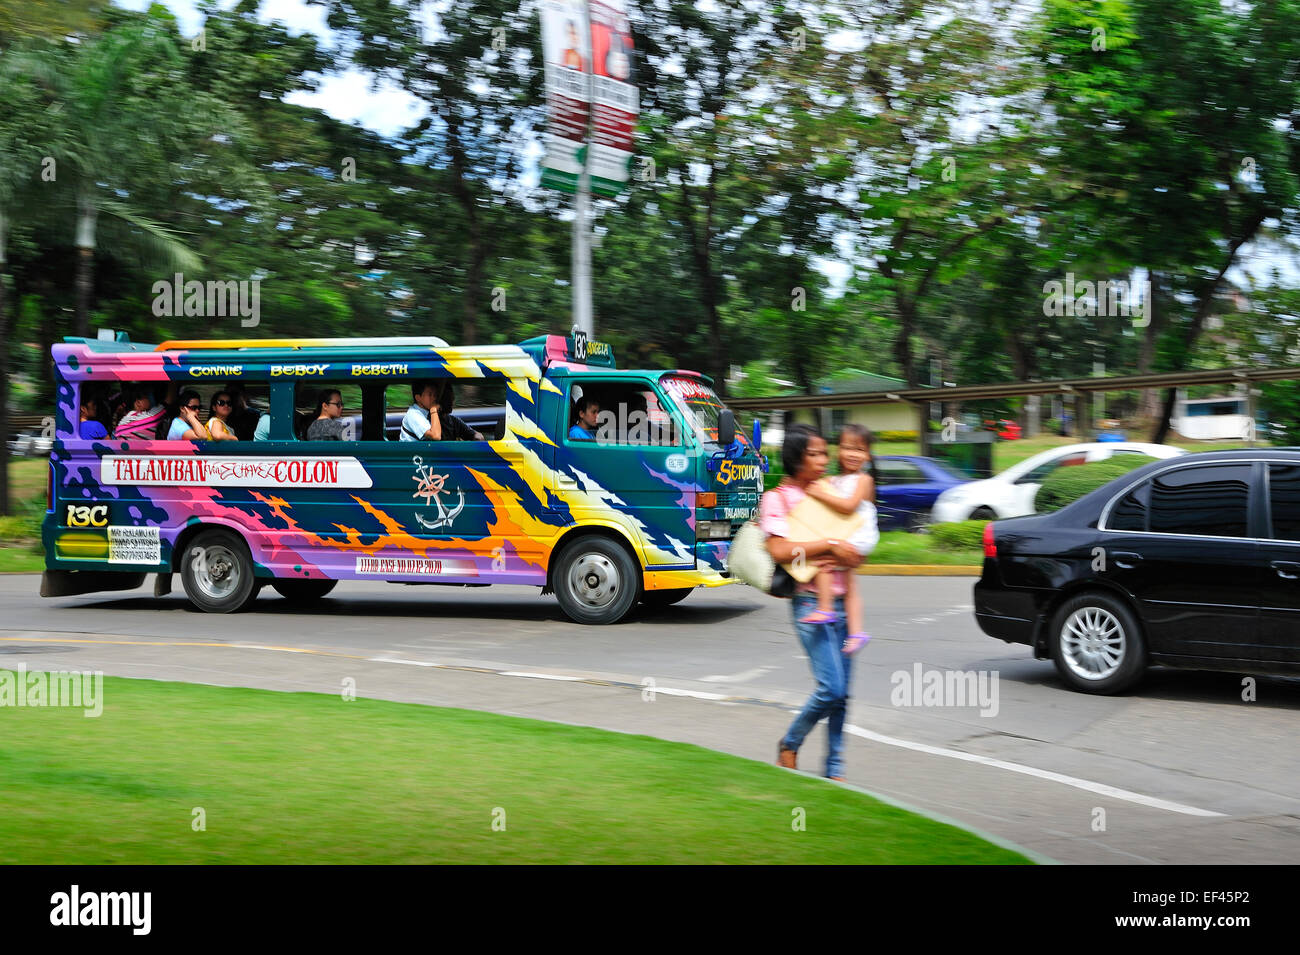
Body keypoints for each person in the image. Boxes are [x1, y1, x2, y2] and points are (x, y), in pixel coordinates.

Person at [760, 423, 866, 781]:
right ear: (796, 457)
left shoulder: (832, 490)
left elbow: (855, 537)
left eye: (825, 453)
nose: (825, 460)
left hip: (843, 601)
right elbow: (779, 550)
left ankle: (835, 769)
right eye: (815, 454)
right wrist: (827, 546)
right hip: (810, 603)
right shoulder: (778, 499)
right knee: (831, 688)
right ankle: (789, 743)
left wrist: (852, 554)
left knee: (844, 694)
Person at [802, 424, 880, 654]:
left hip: (858, 534)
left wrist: (819, 493)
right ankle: (856, 633)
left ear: (868, 455)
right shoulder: (835, 480)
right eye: (847, 448)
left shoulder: (864, 480)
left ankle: (826, 607)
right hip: (847, 532)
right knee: (850, 585)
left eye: (859, 449)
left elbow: (847, 507)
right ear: (838, 451)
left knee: (823, 560)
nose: (853, 454)